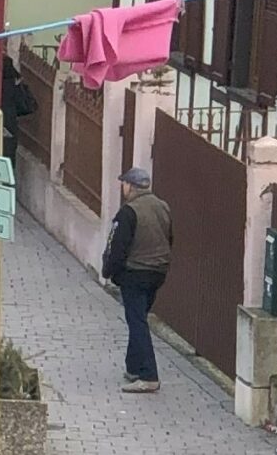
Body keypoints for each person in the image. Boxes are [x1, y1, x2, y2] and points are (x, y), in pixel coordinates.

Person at [101, 165, 171, 394]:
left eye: (123, 183)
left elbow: (117, 246)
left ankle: (149, 376)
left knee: (137, 322)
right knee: (138, 317)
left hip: (135, 273)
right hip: (158, 272)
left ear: (130, 186)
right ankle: (133, 367)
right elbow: (169, 238)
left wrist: (109, 271)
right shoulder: (163, 207)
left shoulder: (128, 212)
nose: (122, 187)